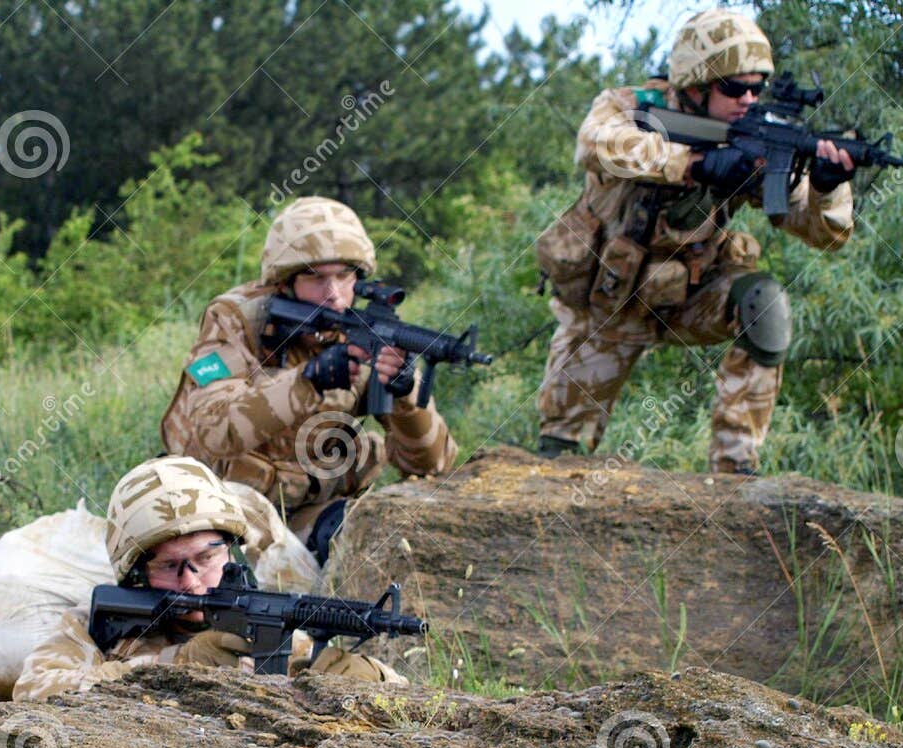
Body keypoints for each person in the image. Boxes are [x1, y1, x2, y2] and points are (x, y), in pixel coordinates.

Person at [533, 7, 856, 474]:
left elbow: (829, 237)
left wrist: (826, 186)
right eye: (734, 87)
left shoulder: (756, 136)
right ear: (696, 82)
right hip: (606, 308)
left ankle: (734, 466)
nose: (748, 98)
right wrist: (695, 165)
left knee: (764, 304)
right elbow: (594, 143)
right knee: (560, 452)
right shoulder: (633, 104)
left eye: (756, 87)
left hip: (687, 299)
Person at [161, 196, 457, 563]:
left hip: (311, 511)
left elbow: (433, 465)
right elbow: (214, 429)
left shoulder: (363, 333)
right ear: (284, 282)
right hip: (223, 506)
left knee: (371, 541)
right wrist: (308, 381)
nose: (333, 294)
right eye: (316, 277)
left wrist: (405, 397)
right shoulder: (238, 321)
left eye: (344, 276)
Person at [14, 457, 405, 700]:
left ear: (230, 549)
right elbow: (32, 692)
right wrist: (172, 666)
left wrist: (370, 677)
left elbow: (400, 697)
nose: (192, 582)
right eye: (170, 566)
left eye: (207, 557)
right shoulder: (93, 624)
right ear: (135, 571)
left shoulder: (263, 625)